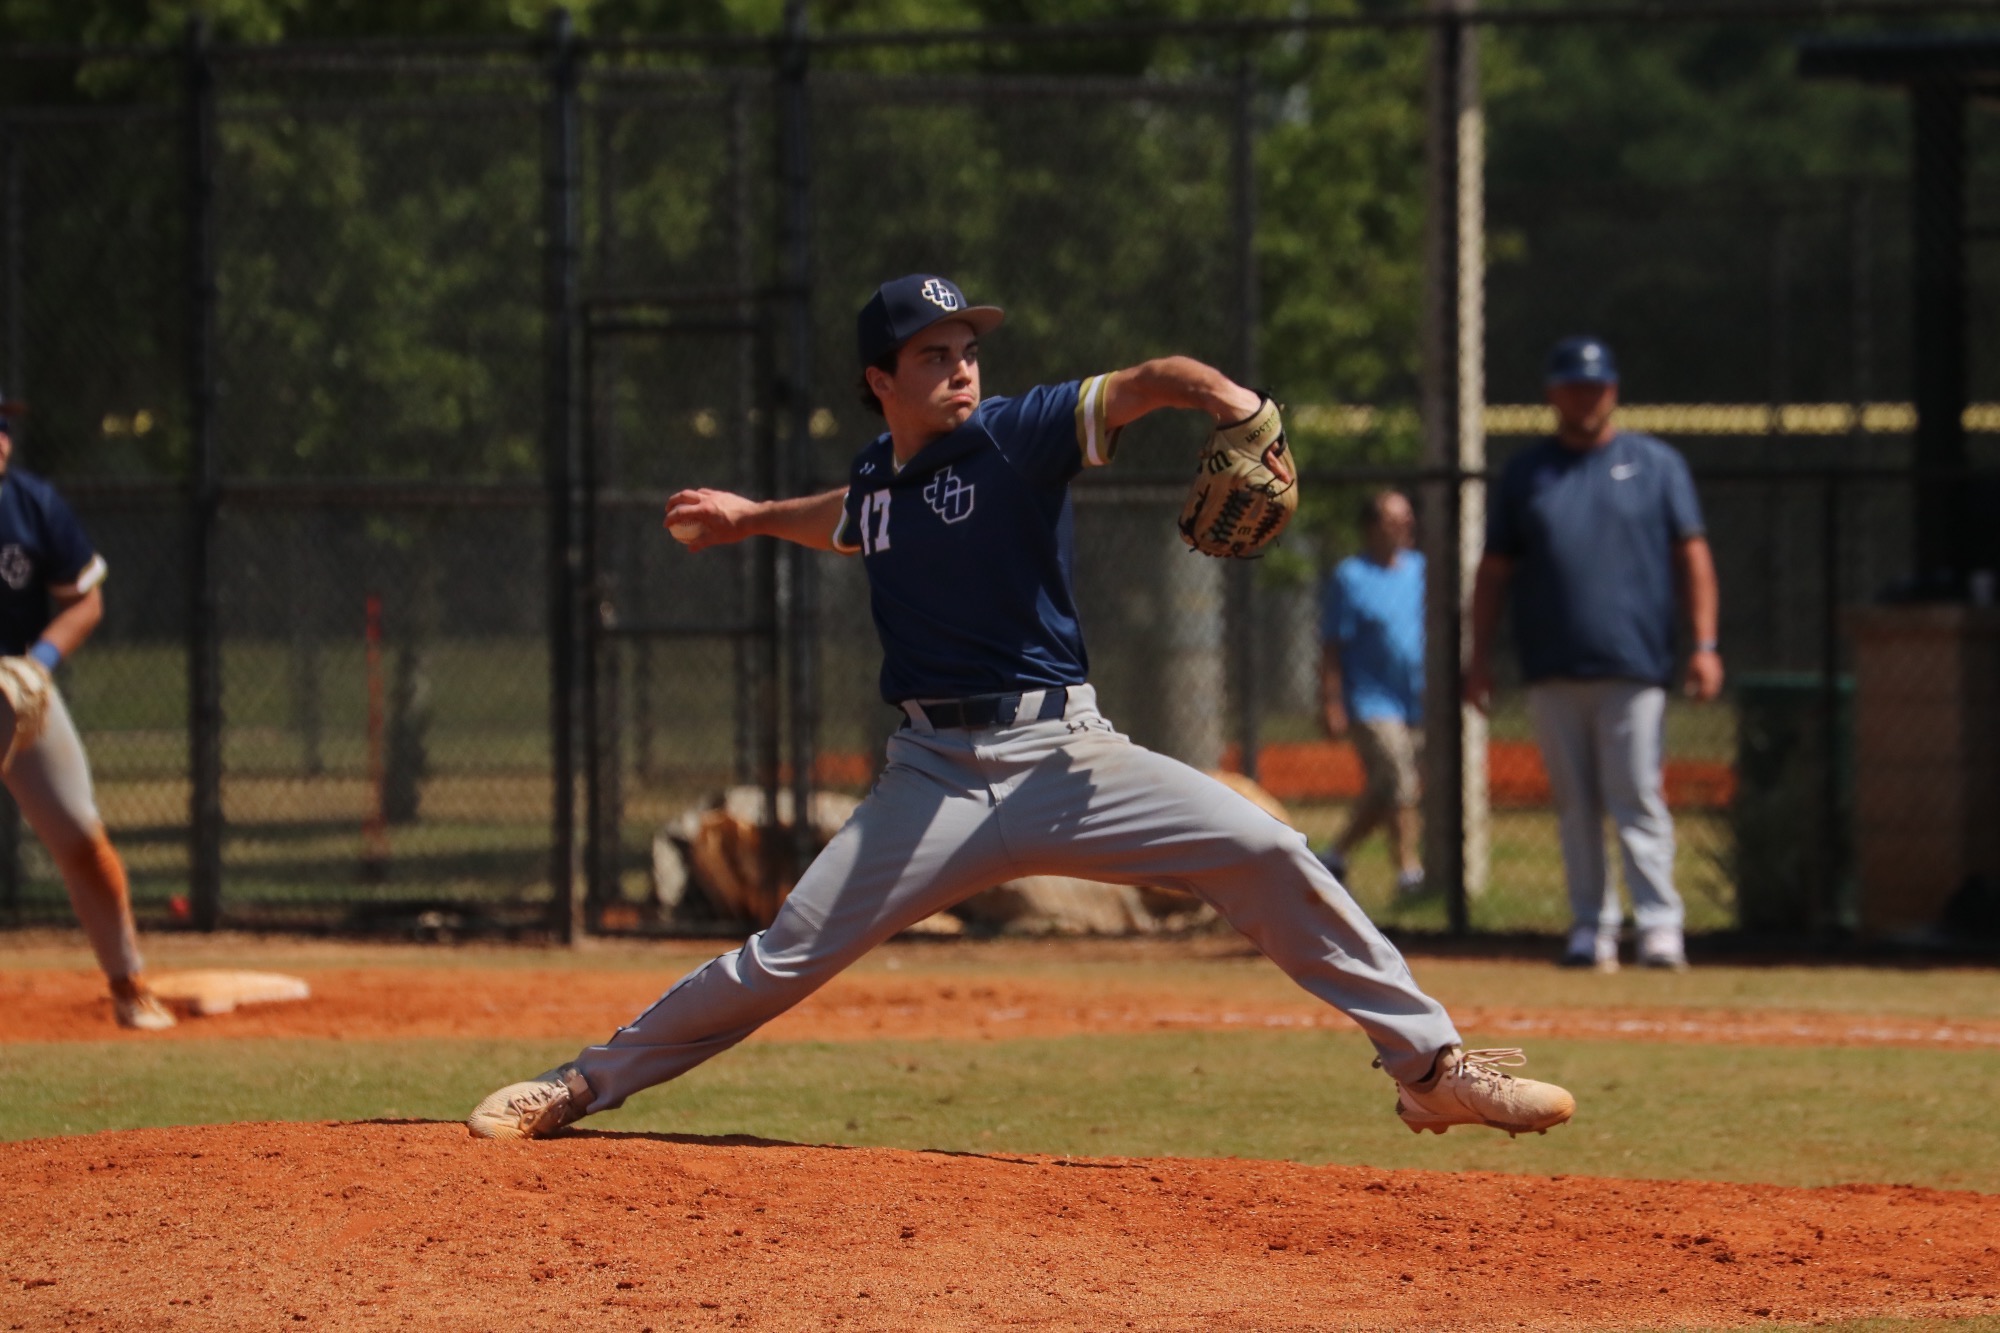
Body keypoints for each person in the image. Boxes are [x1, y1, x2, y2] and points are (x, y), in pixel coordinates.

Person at [469, 274, 1573, 1141]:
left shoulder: (1022, 432)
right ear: (879, 381)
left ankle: (1430, 1072)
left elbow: (1149, 377)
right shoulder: (879, 477)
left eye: (966, 350)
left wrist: (1237, 404)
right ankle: (578, 1083)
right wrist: (754, 515)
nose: (959, 369)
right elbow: (847, 516)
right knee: (783, 955)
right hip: (930, 778)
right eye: (932, 355)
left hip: (1067, 754)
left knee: (1268, 849)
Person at [1464, 337, 1723, 972]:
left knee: (1635, 793)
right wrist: (1478, 655)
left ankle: (1660, 926)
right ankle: (1591, 928)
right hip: (1553, 665)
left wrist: (1706, 645)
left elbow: (1693, 558)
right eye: (1574, 386)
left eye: (1597, 386)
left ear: (1614, 391)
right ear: (1553, 394)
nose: (1587, 397)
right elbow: (1494, 571)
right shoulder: (1528, 473)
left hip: (1634, 664)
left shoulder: (1656, 464)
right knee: (1575, 802)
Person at [0, 395, 173, 1028]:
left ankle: (128, 985)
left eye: (0, 429)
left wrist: (39, 660)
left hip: (19, 689)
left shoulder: (32, 504)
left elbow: (85, 601)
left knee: (80, 834)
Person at [1318, 490, 1426, 896]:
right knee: (1399, 779)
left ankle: (1335, 855)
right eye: (1394, 520)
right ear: (1370, 528)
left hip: (1417, 697)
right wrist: (1331, 702)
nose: (1405, 527)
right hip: (1370, 700)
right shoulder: (1351, 577)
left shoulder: (1421, 569)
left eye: (1408, 518)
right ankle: (1409, 872)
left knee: (1392, 786)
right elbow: (1331, 647)